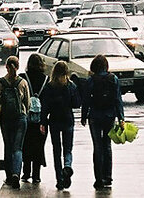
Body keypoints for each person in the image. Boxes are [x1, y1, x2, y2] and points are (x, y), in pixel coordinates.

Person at [80, 54, 124, 190]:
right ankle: (108, 176)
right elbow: (118, 99)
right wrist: (121, 118)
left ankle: (98, 178)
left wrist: (83, 116)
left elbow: (86, 100)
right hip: (109, 115)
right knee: (107, 145)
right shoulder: (113, 79)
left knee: (97, 146)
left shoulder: (91, 80)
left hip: (94, 116)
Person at [0, 55, 30, 189]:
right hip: (20, 118)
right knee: (18, 148)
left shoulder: (0, 82)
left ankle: (8, 176)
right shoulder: (22, 82)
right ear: (17, 67)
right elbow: (27, 103)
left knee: (8, 146)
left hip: (6, 118)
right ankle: (16, 174)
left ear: (6, 67)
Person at [41, 60, 81, 190]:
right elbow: (77, 104)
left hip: (54, 121)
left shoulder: (49, 87)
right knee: (68, 149)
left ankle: (59, 179)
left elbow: (45, 107)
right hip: (68, 119)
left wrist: (42, 122)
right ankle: (67, 166)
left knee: (56, 150)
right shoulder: (71, 86)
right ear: (66, 72)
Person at [22, 54, 49, 184]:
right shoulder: (46, 80)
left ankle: (25, 173)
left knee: (26, 145)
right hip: (41, 120)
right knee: (39, 146)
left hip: (26, 119)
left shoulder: (23, 78)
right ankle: (36, 175)